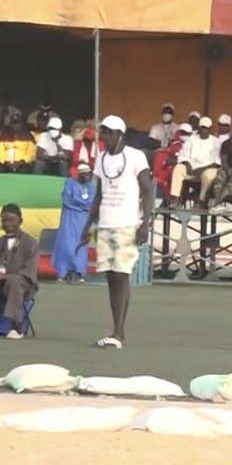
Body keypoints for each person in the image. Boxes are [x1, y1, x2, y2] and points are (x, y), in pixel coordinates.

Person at [82, 116, 152, 349]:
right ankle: (116, 331)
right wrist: (87, 227)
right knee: (111, 276)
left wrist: (144, 224)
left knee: (121, 275)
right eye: (103, 133)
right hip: (105, 223)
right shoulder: (101, 158)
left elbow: (147, 192)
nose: (105, 137)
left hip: (127, 224)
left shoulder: (136, 157)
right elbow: (99, 195)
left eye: (109, 133)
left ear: (120, 135)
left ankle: (118, 333)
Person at [0, 203, 39, 340]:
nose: (7, 224)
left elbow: (29, 272)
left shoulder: (31, 243)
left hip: (24, 285)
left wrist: (5, 277)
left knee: (14, 281)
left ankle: (16, 326)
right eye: (4, 220)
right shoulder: (1, 242)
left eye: (11, 220)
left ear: (20, 221)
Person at [53, 164, 95, 284]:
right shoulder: (70, 183)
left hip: (83, 219)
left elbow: (91, 202)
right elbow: (67, 200)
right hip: (69, 218)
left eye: (89, 174)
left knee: (81, 244)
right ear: (79, 174)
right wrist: (82, 205)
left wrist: (78, 203)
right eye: (85, 174)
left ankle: (80, 273)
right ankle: (62, 274)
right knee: (65, 245)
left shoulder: (90, 187)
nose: (87, 177)